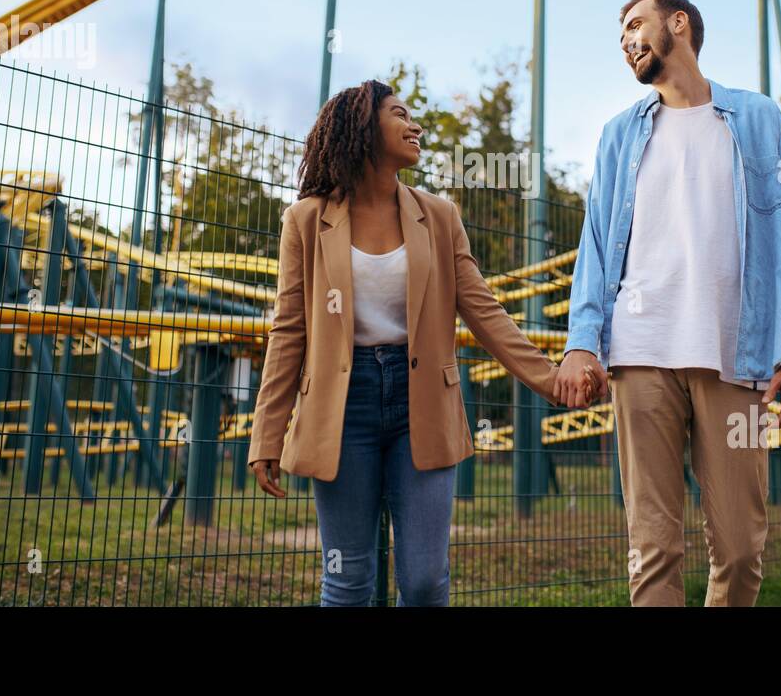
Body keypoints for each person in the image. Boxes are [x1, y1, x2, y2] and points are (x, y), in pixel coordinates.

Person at [248, 79, 604, 606]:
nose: (414, 126)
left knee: (423, 580)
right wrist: (266, 433)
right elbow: (289, 330)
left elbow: (482, 308)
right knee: (348, 581)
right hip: (341, 409)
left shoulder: (438, 216)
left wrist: (548, 377)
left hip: (425, 406)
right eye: (399, 114)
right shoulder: (305, 219)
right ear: (362, 128)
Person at [557, 0, 781, 606]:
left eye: (634, 25)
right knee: (653, 547)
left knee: (738, 544)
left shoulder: (759, 120)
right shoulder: (618, 134)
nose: (625, 40)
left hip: (738, 356)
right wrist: (581, 343)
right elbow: (596, 247)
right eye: (619, 33)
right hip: (639, 352)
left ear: (678, 24)